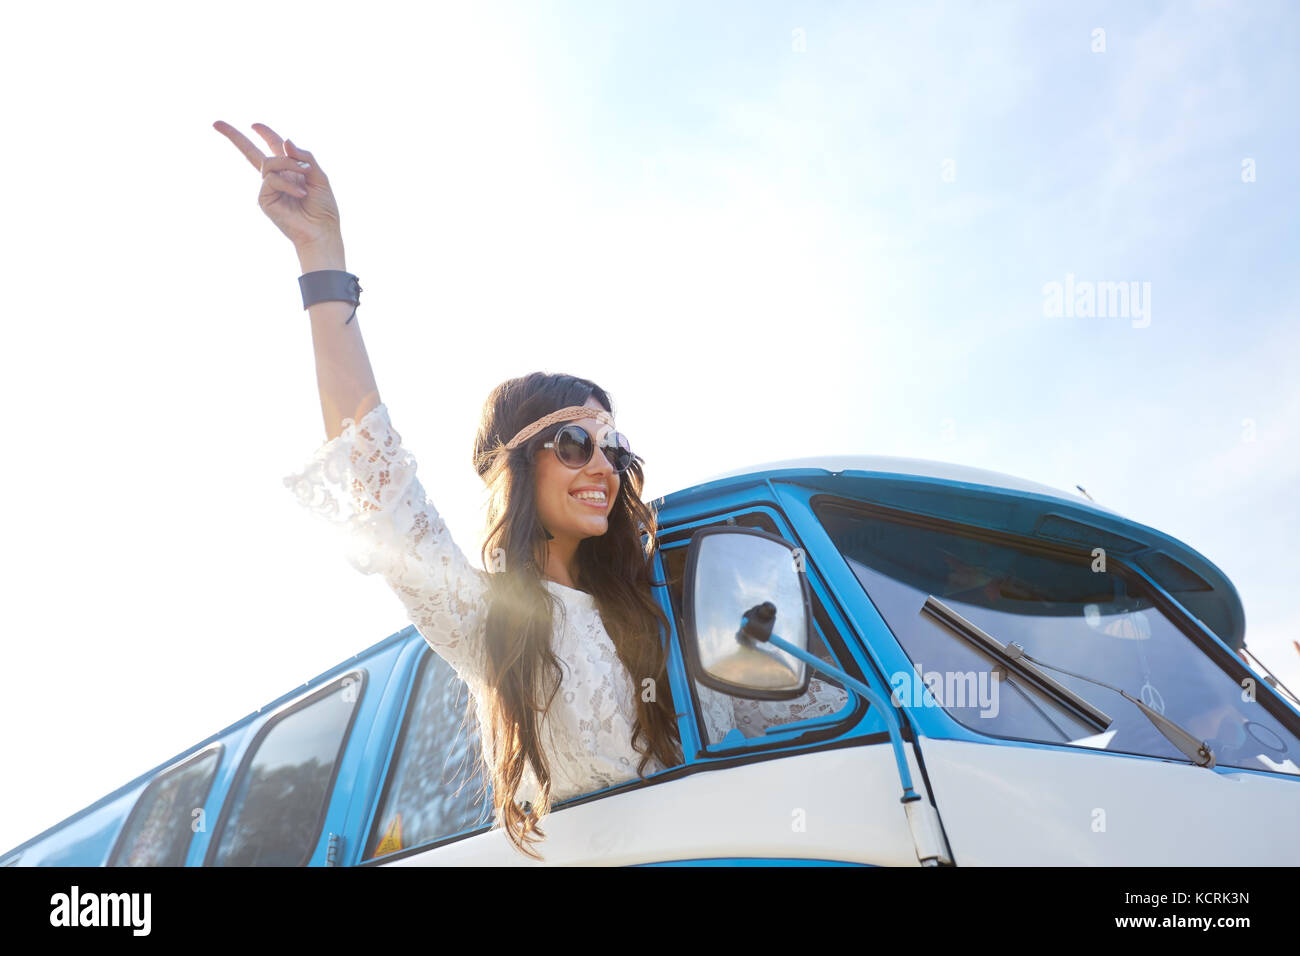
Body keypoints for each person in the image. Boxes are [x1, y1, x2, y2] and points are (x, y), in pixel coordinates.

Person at [213, 120, 849, 860]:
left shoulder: (672, 600)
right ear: (516, 469)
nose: (604, 467)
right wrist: (321, 255)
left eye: (614, 447)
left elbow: (812, 727)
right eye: (575, 443)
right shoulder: (491, 623)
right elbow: (372, 469)